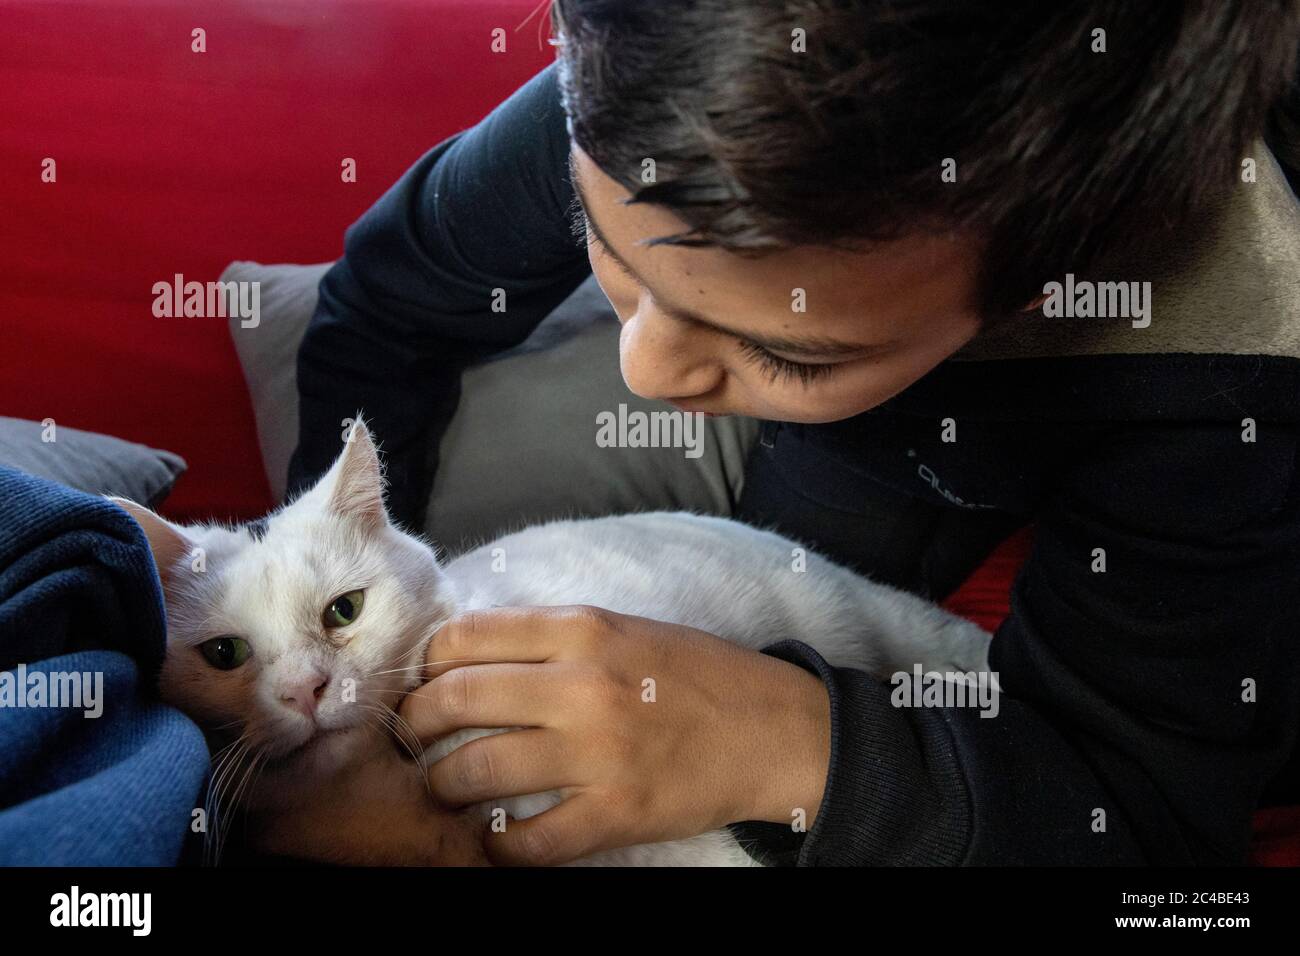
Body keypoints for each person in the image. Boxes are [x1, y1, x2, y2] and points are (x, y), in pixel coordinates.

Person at [287, 1, 1300, 865]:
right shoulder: (645, 101)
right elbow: (382, 307)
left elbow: (1152, 823)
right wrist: (361, 588)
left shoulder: (1223, 362)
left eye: (792, 350)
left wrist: (787, 744)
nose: (645, 375)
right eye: (613, 251)